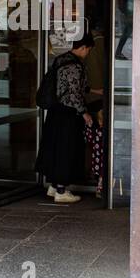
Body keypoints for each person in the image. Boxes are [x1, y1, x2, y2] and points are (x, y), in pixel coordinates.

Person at [35, 33, 94, 204]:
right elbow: (73, 93)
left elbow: (67, 87)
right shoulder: (74, 65)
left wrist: (93, 90)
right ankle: (61, 190)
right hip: (67, 114)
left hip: (56, 113)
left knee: (55, 148)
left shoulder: (61, 59)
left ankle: (53, 186)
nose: (87, 53)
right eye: (88, 50)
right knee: (66, 150)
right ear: (83, 48)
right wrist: (85, 113)